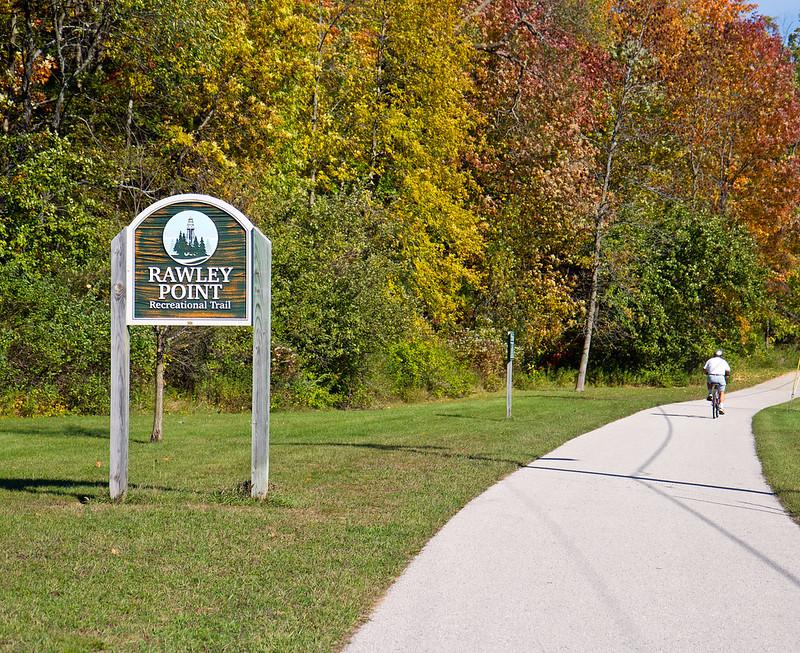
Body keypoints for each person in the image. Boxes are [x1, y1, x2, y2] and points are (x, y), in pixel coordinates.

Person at [704, 349, 731, 414]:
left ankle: (710, 393)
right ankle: (721, 407)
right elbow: (728, 370)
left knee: (709, 381)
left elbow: (704, 369)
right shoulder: (724, 361)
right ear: (721, 355)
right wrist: (727, 375)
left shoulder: (710, 360)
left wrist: (707, 373)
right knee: (721, 392)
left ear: (714, 354)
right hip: (720, 377)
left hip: (711, 376)